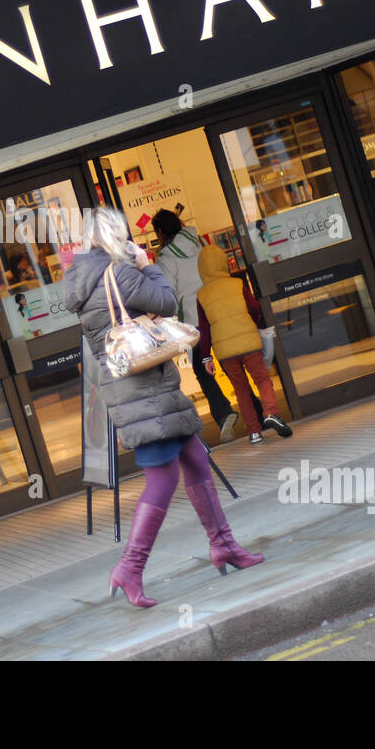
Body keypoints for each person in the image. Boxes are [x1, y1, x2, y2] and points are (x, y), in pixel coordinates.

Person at [64, 207, 264, 608]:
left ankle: (224, 545)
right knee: (163, 478)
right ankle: (129, 568)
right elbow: (169, 301)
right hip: (146, 393)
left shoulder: (83, 280)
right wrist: (146, 264)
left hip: (140, 389)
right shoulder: (119, 273)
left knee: (196, 462)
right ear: (115, 236)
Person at [150, 209, 239, 442]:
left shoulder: (165, 258)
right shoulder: (199, 241)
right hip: (215, 308)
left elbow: (168, 294)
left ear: (160, 232)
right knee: (230, 361)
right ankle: (256, 408)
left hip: (193, 319)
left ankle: (224, 413)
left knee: (202, 369)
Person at [194, 244, 293, 444]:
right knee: (262, 380)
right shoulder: (237, 284)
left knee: (241, 390)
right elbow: (254, 307)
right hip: (249, 343)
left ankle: (254, 432)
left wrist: (206, 357)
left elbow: (204, 330)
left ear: (201, 268)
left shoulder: (202, 296)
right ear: (224, 263)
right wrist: (253, 323)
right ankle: (270, 413)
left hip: (225, 352)